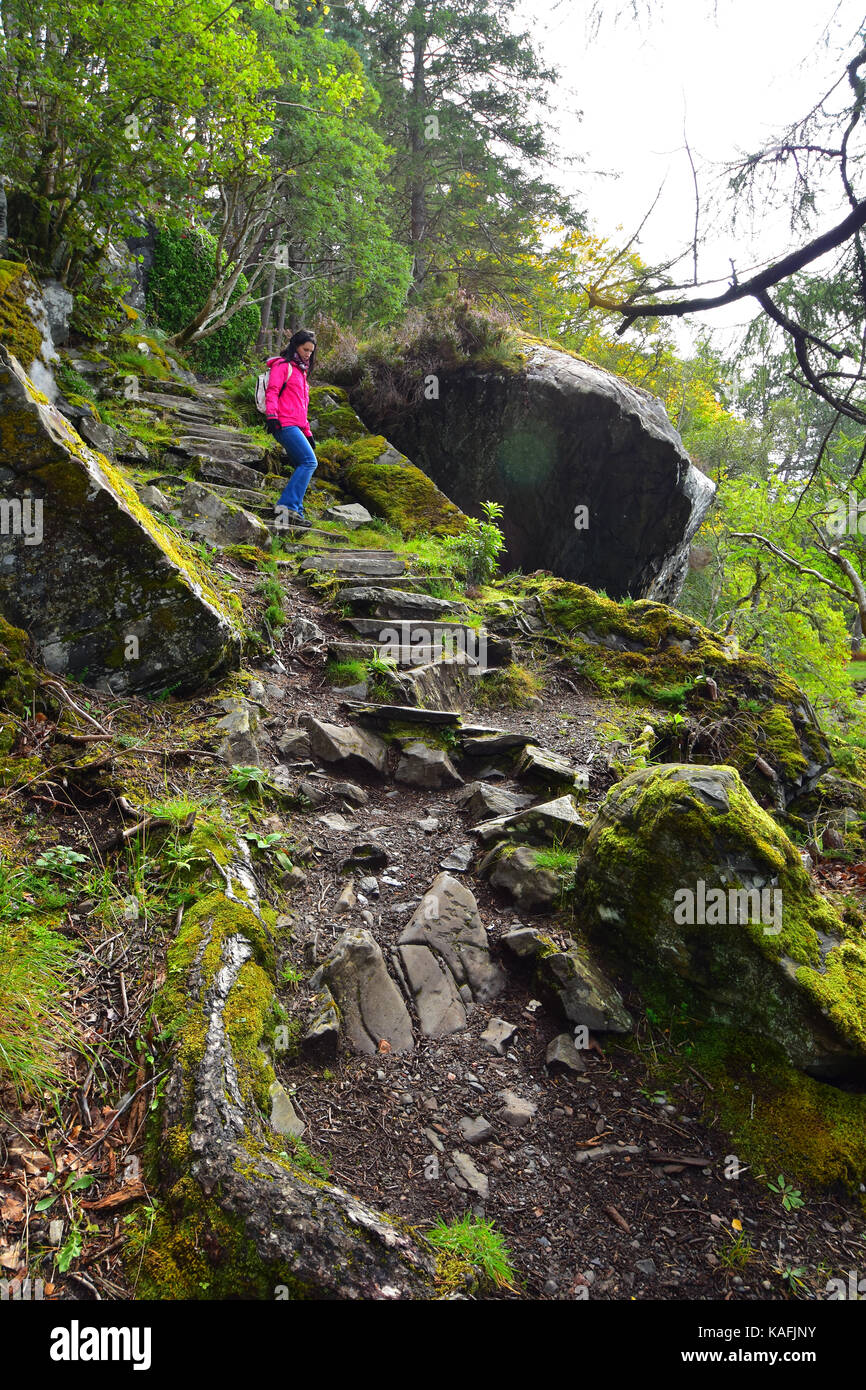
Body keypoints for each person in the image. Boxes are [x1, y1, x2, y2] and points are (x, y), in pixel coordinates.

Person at [265, 329, 318, 526]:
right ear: (296, 345)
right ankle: (288, 506)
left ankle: (296, 512)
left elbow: (300, 407)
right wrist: (271, 416)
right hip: (283, 424)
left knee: (302, 464)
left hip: (296, 425)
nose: (308, 354)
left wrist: (308, 433)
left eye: (311, 352)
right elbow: (272, 391)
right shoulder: (283, 366)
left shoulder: (301, 372)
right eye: (305, 349)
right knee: (309, 462)